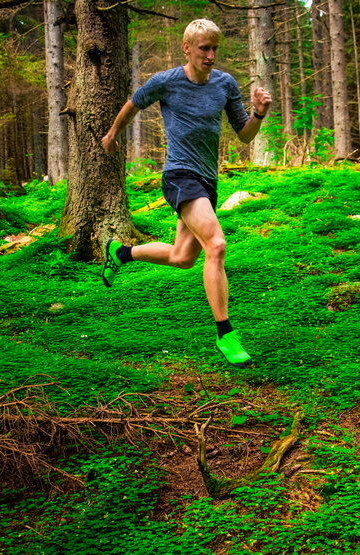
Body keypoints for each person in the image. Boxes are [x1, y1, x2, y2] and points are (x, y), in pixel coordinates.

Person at [99, 18, 272, 369]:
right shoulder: (166, 82)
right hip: (179, 176)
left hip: (207, 181)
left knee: (183, 257)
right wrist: (113, 133)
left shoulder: (224, 84)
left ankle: (121, 253)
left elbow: (244, 134)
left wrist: (258, 113)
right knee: (217, 245)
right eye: (204, 48)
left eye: (215, 49)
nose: (210, 55)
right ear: (188, 48)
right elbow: (134, 103)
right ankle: (226, 334)